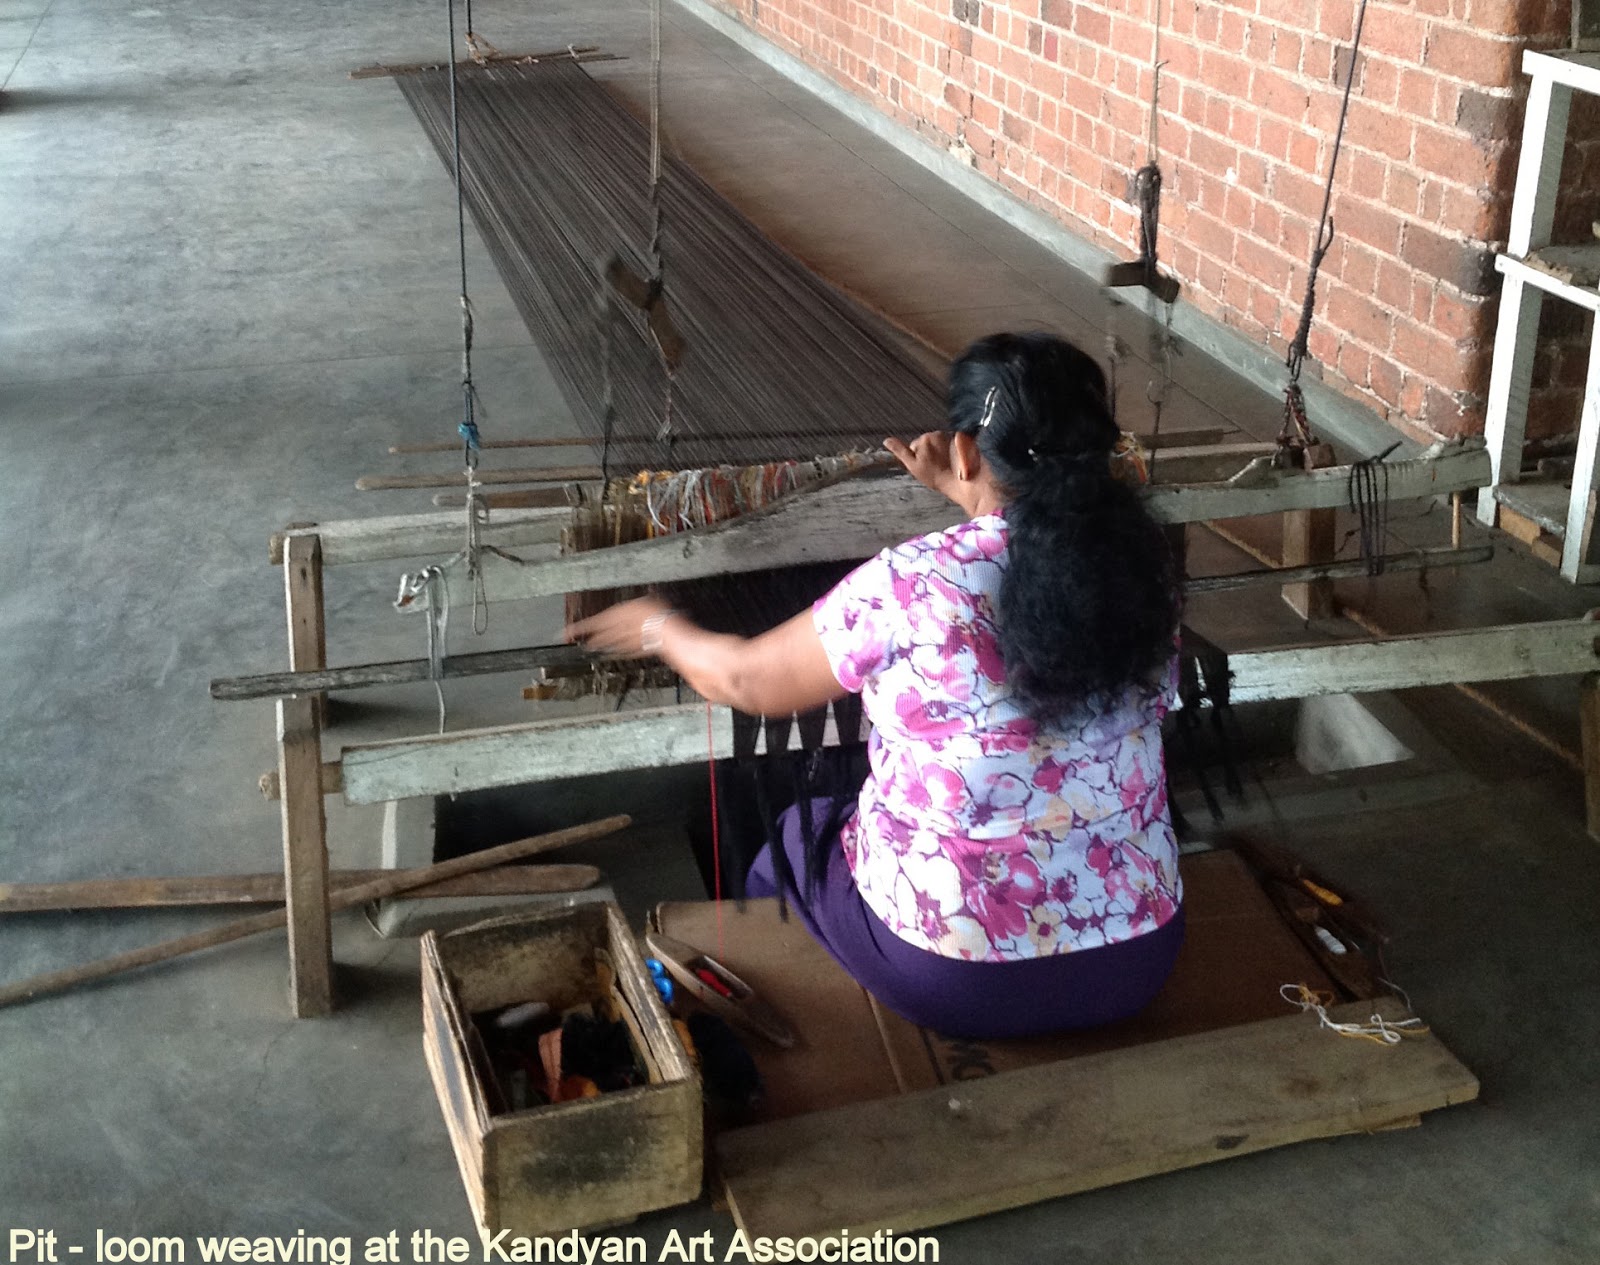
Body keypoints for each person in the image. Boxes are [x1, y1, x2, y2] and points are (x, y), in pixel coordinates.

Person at [568, 332, 1184, 1039]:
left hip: (962, 978)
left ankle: (793, 1028)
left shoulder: (913, 583)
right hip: (1139, 956)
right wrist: (969, 485)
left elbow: (743, 679)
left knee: (794, 839)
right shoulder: (1144, 568)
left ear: (966, 449)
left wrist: (658, 628)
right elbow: (1030, 549)